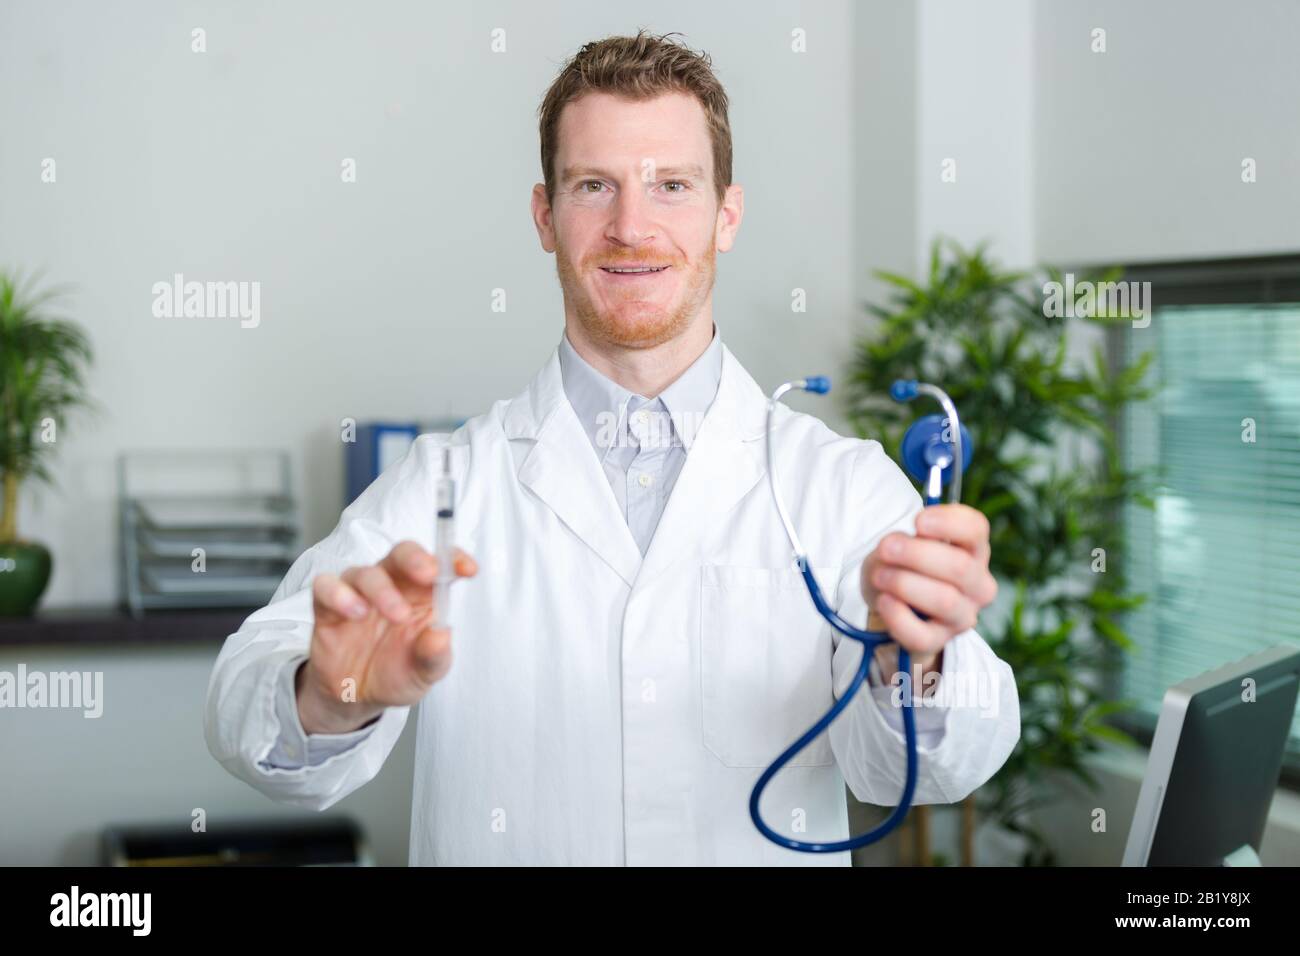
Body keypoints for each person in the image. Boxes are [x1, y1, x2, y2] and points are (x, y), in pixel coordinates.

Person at [205, 30, 1019, 866]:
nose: (632, 227)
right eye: (594, 186)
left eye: (672, 185)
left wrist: (913, 664)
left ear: (725, 215)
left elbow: (941, 765)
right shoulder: (444, 484)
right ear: (545, 216)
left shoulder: (839, 488)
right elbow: (247, 704)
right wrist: (335, 693)